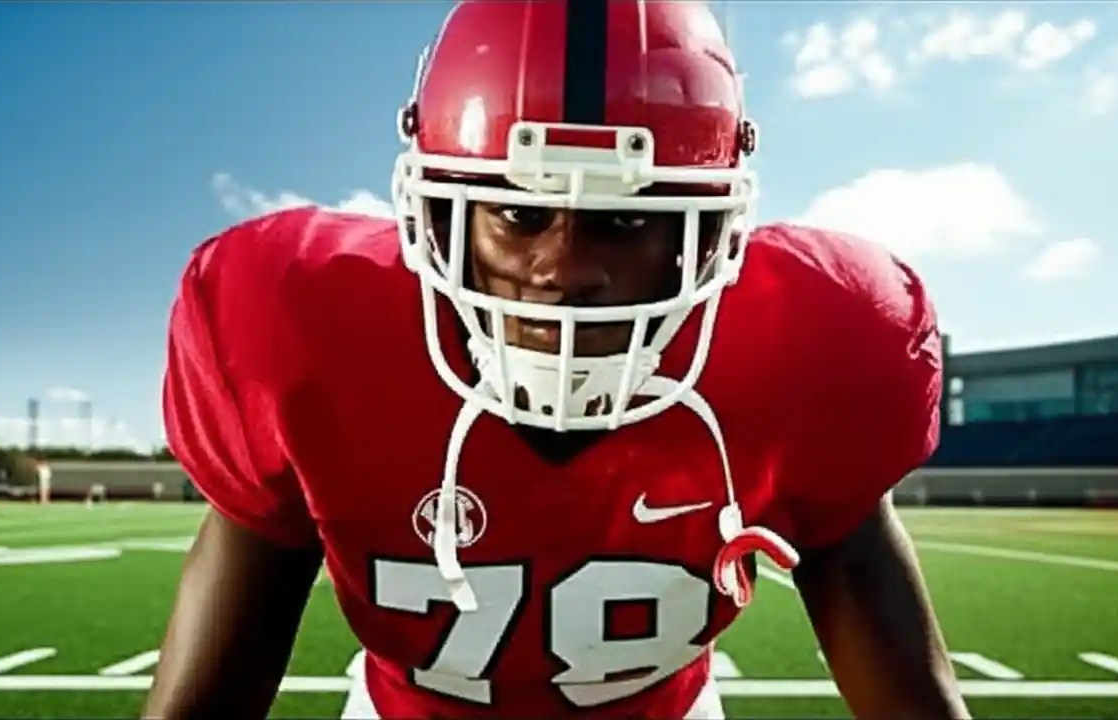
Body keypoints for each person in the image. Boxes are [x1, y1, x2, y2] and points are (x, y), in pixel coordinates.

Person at [143, 1, 969, 719]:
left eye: (628, 218)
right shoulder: (300, 331)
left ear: (715, 235)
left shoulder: (813, 342)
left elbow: (892, 655)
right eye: (515, 209)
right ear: (433, 215)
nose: (566, 270)